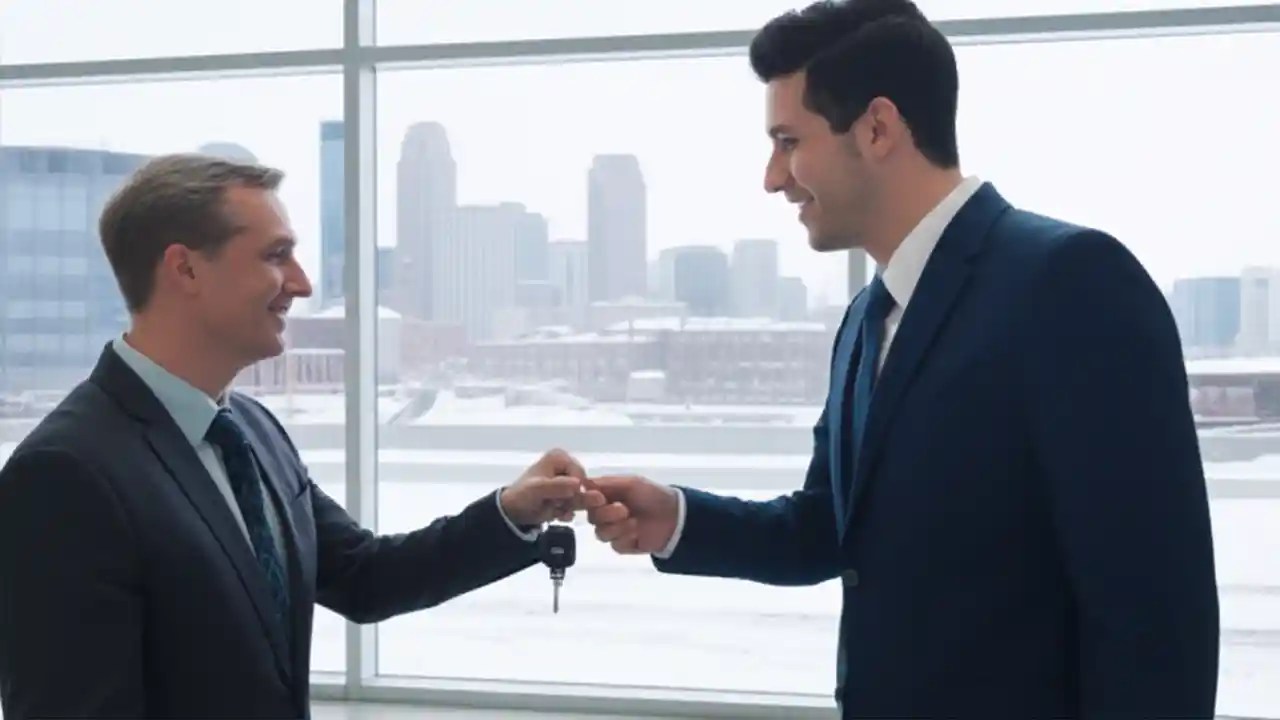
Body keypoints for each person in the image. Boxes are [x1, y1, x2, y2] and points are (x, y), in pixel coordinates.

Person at [585, 1, 1220, 717]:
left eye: (789, 141)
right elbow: (831, 529)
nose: (772, 177)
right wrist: (674, 519)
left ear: (878, 128)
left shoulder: (1070, 283)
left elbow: (1155, 613)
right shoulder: (866, 318)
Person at [0, 154, 603, 720]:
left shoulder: (253, 431)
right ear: (184, 268)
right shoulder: (64, 474)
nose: (303, 282)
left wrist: (511, 515)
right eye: (276, 255)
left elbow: (364, 577)